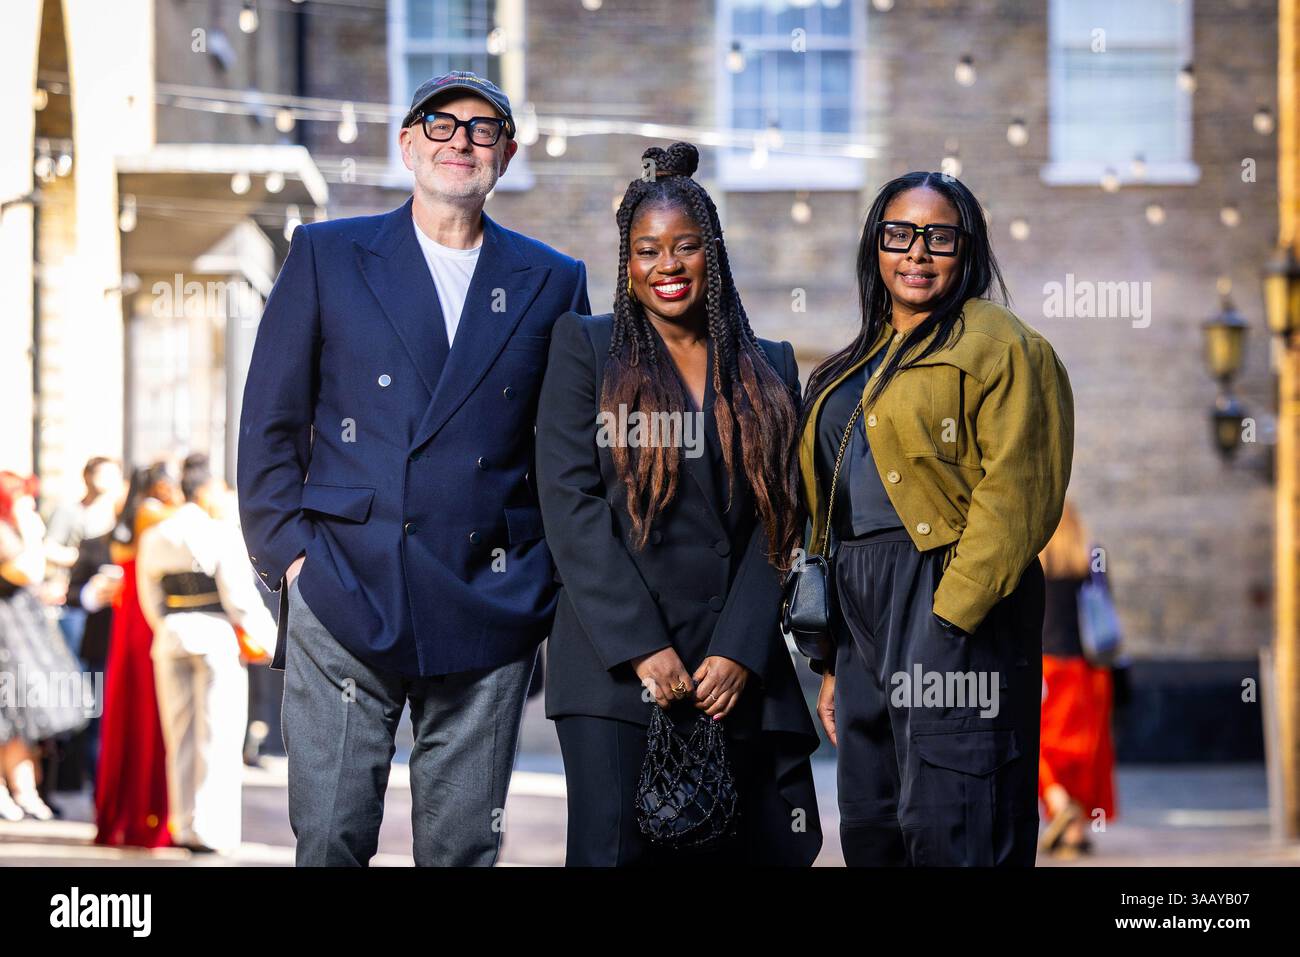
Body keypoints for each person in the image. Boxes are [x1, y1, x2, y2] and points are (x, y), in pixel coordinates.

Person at [237, 71, 590, 866]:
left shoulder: (553, 278)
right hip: (343, 582)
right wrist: (289, 559)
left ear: (504, 153)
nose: (460, 139)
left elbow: (563, 446)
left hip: (488, 594)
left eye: (482, 127)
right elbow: (270, 421)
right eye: (440, 123)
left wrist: (538, 579)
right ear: (406, 144)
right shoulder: (328, 254)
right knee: (329, 836)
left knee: (463, 847)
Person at [536, 142, 822, 866]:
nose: (667, 264)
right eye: (646, 250)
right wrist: (642, 646)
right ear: (627, 264)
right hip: (615, 673)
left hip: (734, 675)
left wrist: (740, 646)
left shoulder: (770, 364)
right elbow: (568, 504)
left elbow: (782, 516)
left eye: (686, 246)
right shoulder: (586, 349)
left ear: (713, 253)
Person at [801, 171, 1074, 866]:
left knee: (957, 822)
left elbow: (1019, 494)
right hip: (860, 617)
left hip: (949, 599)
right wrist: (833, 654)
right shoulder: (854, 361)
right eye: (899, 234)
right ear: (876, 247)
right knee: (874, 827)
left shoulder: (1002, 344)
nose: (917, 253)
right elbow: (827, 510)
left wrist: (948, 619)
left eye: (938, 237)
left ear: (967, 250)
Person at [137, 454, 277, 854]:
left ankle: (183, 825)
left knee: (179, 734)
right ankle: (211, 828)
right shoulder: (220, 533)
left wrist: (166, 628)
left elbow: (151, 601)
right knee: (218, 734)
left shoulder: (155, 535)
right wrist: (273, 645)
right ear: (206, 490)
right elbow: (240, 600)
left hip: (170, 638)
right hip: (215, 638)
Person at [94, 462, 181, 848]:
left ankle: (124, 812)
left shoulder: (128, 513)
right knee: (151, 719)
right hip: (148, 620)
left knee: (129, 718)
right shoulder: (156, 514)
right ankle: (152, 815)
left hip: (129, 622)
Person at [0, 472, 90, 821]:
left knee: (22, 717)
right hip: (10, 640)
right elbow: (29, 569)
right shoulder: (6, 530)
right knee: (10, 716)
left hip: (20, 637)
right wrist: (29, 528)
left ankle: (23, 790)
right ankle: (14, 791)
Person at [1037, 501, 1117, 859]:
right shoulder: (1091, 554)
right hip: (1088, 668)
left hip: (1045, 667)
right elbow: (1106, 606)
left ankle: (1058, 800)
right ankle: (1075, 831)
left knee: (1041, 745)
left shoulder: (1035, 556)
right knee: (1085, 752)